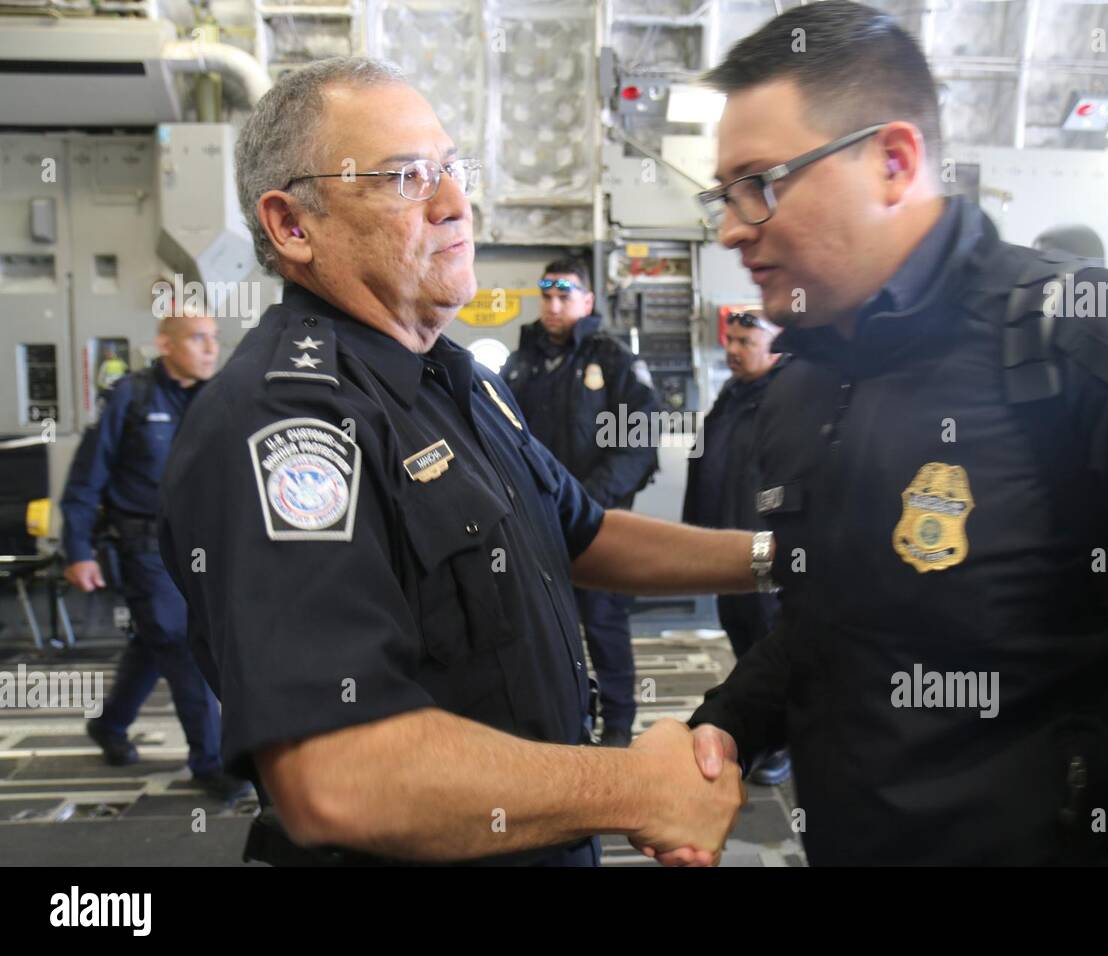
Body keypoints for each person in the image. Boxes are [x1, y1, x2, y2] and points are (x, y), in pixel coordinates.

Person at [672, 1, 1108, 866]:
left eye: (759, 184)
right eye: (724, 195)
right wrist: (730, 725)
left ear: (893, 163)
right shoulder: (803, 388)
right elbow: (831, 623)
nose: (734, 227)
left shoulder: (1090, 346)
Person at [157, 57, 764, 867]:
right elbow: (335, 775)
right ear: (292, 225)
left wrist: (780, 559)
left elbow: (585, 534)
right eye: (408, 178)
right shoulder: (286, 420)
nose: (455, 204)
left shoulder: (458, 380)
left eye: (452, 169)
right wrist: (638, 788)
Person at [60, 308, 250, 803]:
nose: (211, 348)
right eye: (197, 339)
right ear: (165, 345)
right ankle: (211, 762)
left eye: (214, 338)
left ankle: (110, 724)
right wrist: (78, 550)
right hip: (143, 546)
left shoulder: (220, 399)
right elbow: (86, 479)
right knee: (181, 643)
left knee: (153, 642)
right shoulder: (131, 397)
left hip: (203, 546)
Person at [501, 258, 660, 747]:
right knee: (542, 626)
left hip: (598, 524)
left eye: (564, 295)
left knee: (604, 623)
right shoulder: (520, 365)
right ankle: (562, 721)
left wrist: (584, 506)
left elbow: (638, 444)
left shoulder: (613, 362)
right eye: (546, 295)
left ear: (587, 301)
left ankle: (616, 724)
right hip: (534, 527)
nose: (553, 305)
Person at [682, 310, 790, 784]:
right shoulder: (732, 395)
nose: (733, 348)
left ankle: (782, 745)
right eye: (731, 339)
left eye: (747, 340)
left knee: (773, 645)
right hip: (726, 551)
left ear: (778, 346)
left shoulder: (789, 401)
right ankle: (760, 731)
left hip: (767, 554)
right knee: (744, 642)